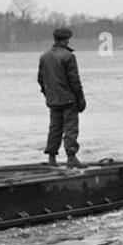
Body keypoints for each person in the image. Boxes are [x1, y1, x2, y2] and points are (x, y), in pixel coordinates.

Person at [38, 26, 86, 167]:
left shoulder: (44, 56)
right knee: (70, 128)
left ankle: (52, 159)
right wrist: (81, 99)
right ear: (66, 40)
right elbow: (74, 81)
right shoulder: (69, 56)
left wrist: (49, 95)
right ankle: (71, 158)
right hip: (69, 100)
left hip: (53, 101)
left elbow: (41, 80)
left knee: (54, 129)